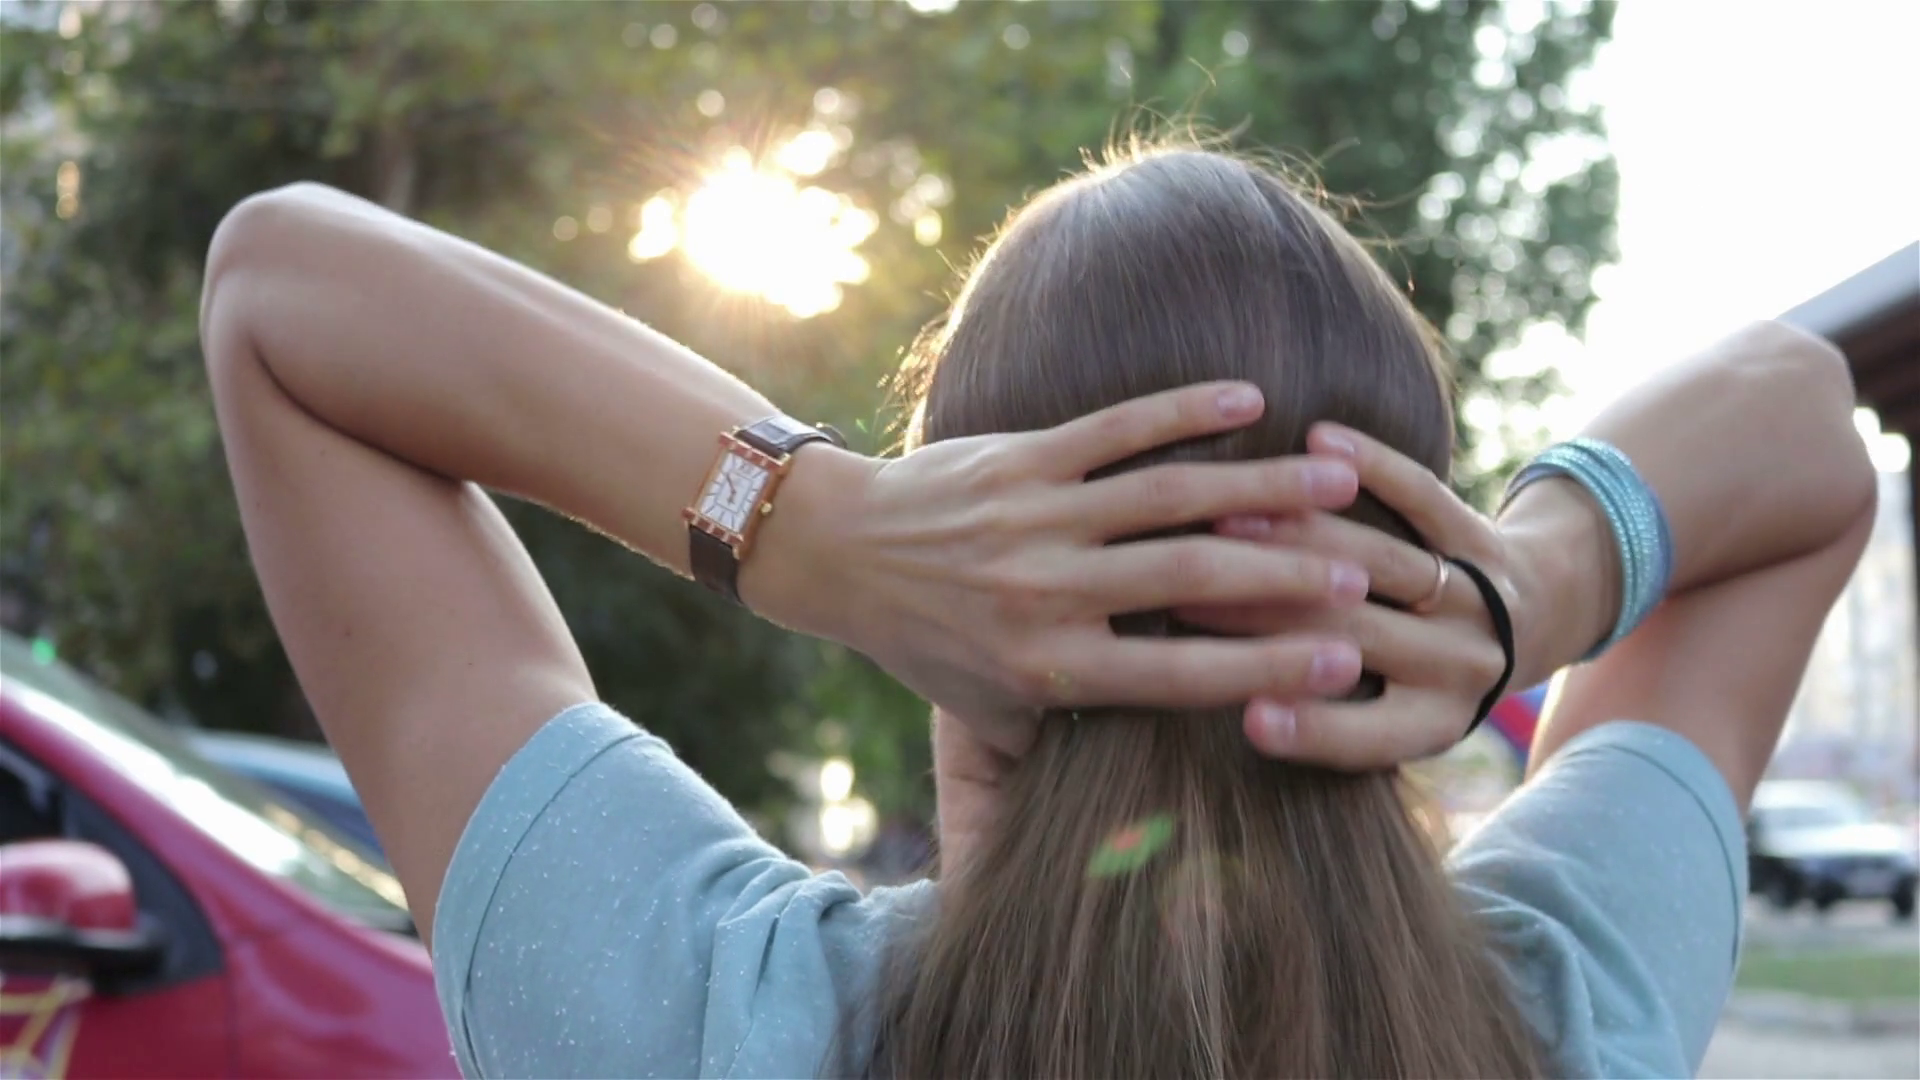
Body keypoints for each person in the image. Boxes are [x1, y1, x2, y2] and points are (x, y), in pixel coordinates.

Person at [200, 143, 1875, 1078]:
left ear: (962, 568)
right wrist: (1534, 581)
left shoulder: (704, 1014)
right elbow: (1801, 420)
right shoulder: (1565, 1003)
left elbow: (284, 287)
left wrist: (802, 521)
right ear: (1398, 581)